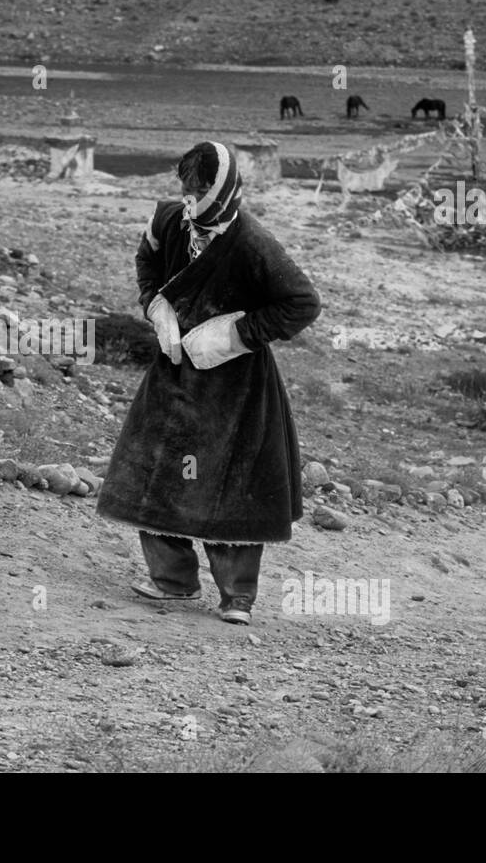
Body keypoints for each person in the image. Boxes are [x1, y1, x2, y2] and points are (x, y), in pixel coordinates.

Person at [96, 141, 321, 625]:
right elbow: (147, 263)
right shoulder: (167, 221)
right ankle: (171, 579)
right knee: (155, 469)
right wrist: (156, 307)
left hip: (235, 385)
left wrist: (237, 334)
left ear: (222, 189)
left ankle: (236, 595)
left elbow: (302, 304)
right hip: (174, 369)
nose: (190, 200)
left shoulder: (253, 243)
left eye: (199, 191)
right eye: (185, 189)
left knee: (230, 481)